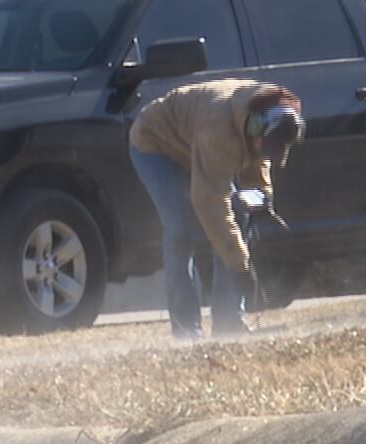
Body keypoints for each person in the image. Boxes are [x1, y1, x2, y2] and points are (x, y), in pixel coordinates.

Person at [128, 79, 303, 340]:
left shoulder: (261, 117)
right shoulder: (219, 130)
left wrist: (263, 201)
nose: (267, 153)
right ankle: (187, 331)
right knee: (180, 229)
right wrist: (240, 267)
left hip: (196, 143)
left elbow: (258, 166)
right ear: (255, 127)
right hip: (156, 143)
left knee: (239, 214)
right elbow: (211, 205)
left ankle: (228, 323)